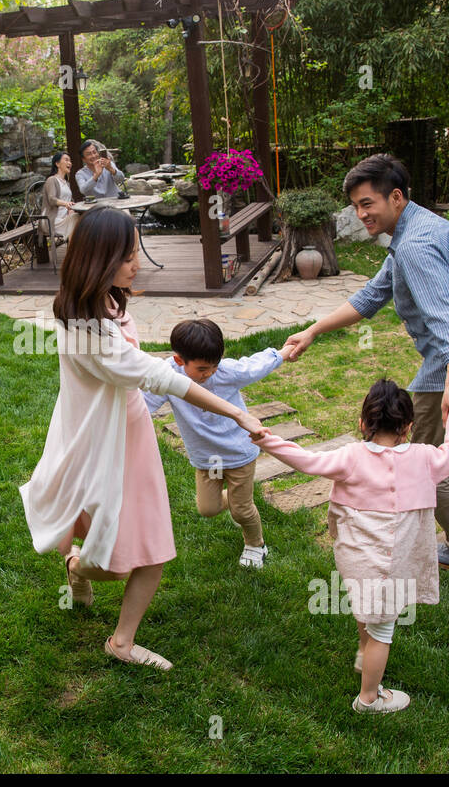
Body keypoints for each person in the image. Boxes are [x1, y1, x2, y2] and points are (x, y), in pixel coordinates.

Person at [280, 153, 449, 603]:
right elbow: (373, 294)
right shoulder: (422, 230)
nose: (361, 214)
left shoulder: (416, 246)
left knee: (428, 460)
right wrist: (312, 330)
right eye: (355, 206)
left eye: (368, 203)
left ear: (397, 196)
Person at [20, 208, 267, 671]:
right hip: (109, 438)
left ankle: (110, 621)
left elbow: (136, 364)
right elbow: (155, 377)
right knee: (126, 549)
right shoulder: (88, 330)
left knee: (143, 544)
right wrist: (236, 411)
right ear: (100, 259)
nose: (138, 263)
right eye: (129, 255)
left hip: (123, 431)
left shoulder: (99, 302)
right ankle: (87, 584)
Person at [254, 379, 449, 713]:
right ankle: (368, 698)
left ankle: (362, 653)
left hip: (355, 560)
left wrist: (267, 440)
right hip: (392, 566)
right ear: (409, 427)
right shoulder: (425, 459)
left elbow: (305, 460)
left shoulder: (351, 456)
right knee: (383, 628)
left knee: (366, 607)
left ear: (363, 423)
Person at [141, 318, 284, 569]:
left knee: (241, 511)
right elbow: (142, 405)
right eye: (203, 369)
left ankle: (255, 544)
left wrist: (282, 353)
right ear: (179, 361)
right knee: (208, 508)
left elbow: (253, 366)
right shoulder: (169, 377)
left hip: (238, 453)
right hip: (207, 459)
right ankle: (240, 498)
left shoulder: (226, 372)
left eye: (214, 366)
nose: (210, 374)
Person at [41, 150, 80, 242]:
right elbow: (51, 199)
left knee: (79, 218)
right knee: (75, 219)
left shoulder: (67, 183)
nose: (69, 163)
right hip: (50, 219)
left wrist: (70, 209)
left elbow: (70, 201)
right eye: (66, 160)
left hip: (64, 218)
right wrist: (66, 204)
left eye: (70, 161)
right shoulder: (52, 179)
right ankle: (73, 254)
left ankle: (75, 253)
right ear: (57, 164)